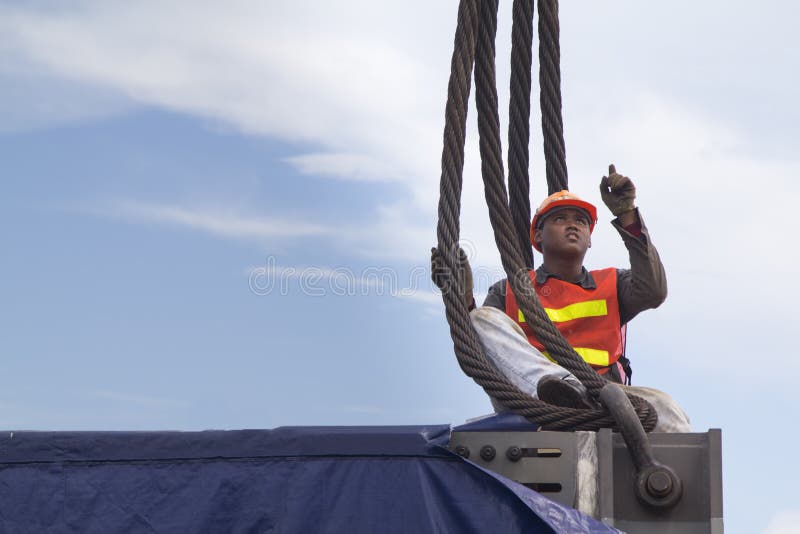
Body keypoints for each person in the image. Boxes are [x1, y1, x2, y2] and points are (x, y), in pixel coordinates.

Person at [433, 164, 689, 432]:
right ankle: (564, 390)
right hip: (530, 402)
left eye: (580, 221)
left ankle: (584, 402)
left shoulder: (614, 284)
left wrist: (627, 215)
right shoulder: (508, 291)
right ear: (538, 236)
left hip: (601, 398)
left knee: (669, 411)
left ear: (590, 239)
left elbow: (654, 291)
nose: (572, 226)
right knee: (482, 318)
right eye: (560, 219)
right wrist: (462, 300)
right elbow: (477, 354)